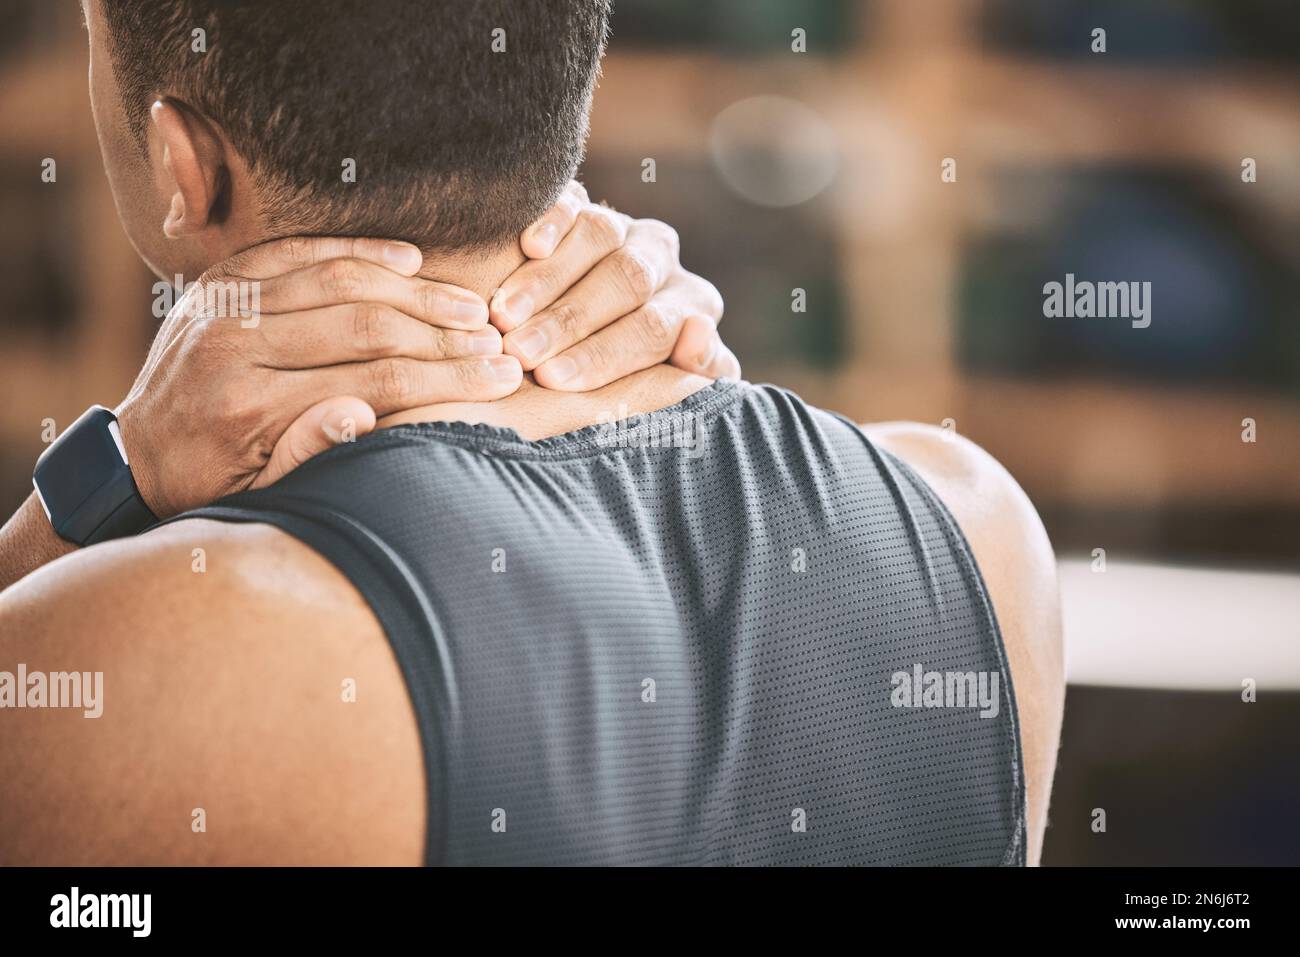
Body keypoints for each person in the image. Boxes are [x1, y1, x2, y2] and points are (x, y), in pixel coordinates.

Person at [0, 0, 1063, 865]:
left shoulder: (150, 657)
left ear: (186, 165)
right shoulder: (973, 526)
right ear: (558, 87)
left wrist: (99, 482)